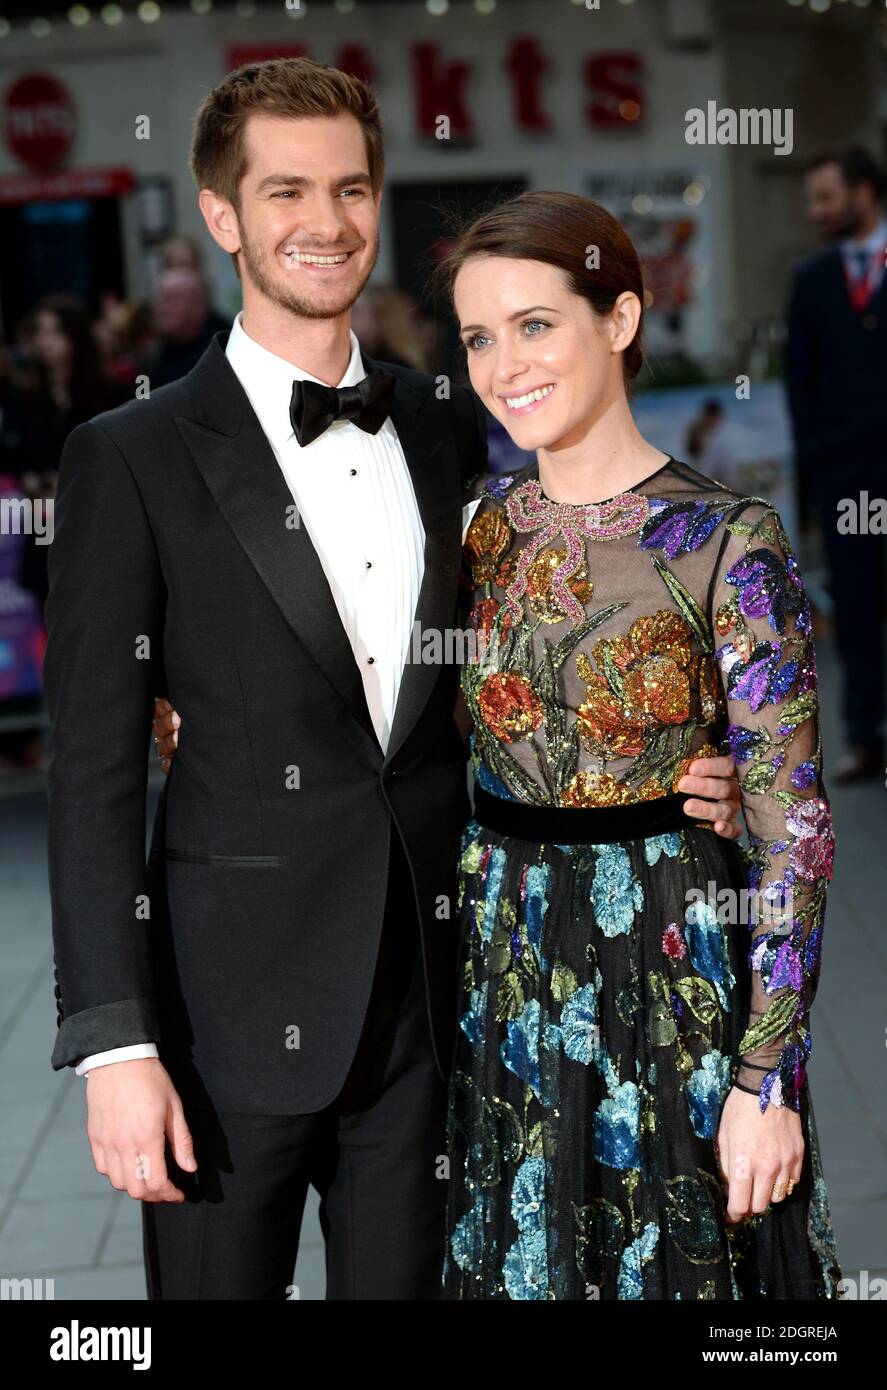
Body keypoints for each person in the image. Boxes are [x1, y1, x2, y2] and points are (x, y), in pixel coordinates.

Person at [46, 59, 741, 1302]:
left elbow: (531, 646)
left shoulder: (440, 418)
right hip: (221, 1020)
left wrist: (678, 758)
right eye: (286, 192)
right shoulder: (129, 454)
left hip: (439, 1001)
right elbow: (91, 769)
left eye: (351, 188)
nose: (326, 223)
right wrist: (114, 1041)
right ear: (221, 216)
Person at [431, 191, 840, 1299]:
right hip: (503, 967)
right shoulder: (477, 528)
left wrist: (766, 1078)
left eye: (533, 324)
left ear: (616, 318)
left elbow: (793, 835)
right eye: (476, 335)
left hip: (670, 956)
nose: (502, 364)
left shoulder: (725, 538)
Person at [785, 146, 887, 783]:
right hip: (846, 479)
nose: (817, 212)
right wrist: (817, 474)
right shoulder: (813, 279)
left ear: (863, 192)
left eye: (826, 197)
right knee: (852, 608)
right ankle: (866, 735)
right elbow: (802, 385)